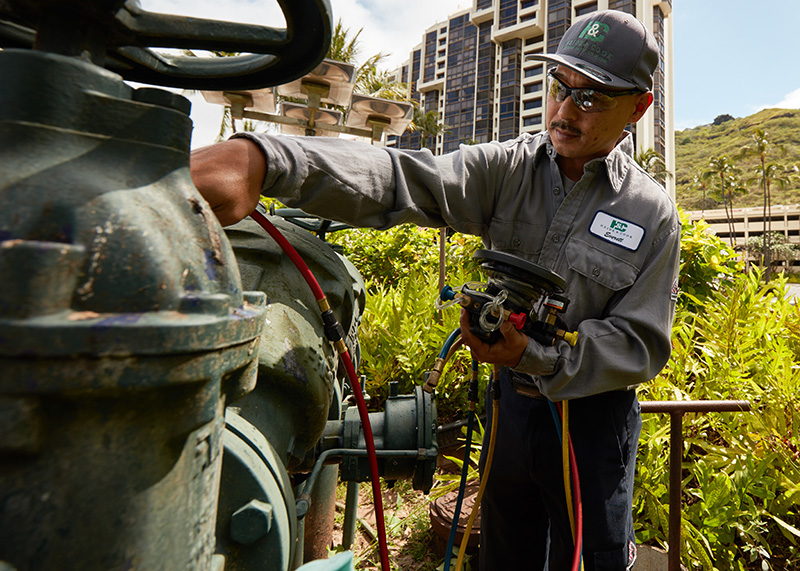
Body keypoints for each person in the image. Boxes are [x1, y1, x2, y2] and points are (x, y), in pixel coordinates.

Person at [191, 9, 680, 570]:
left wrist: (541, 355)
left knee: (591, 557)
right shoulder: (509, 169)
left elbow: (640, 344)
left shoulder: (650, 214)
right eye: (559, 87)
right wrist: (268, 159)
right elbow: (405, 178)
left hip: (590, 425)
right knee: (507, 549)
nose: (565, 111)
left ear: (639, 108)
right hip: (511, 412)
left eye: (591, 98)